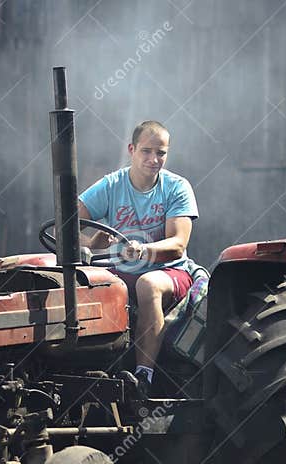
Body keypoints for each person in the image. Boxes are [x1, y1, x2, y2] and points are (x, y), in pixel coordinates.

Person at [77, 120, 198, 395]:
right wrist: (91, 243)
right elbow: (68, 224)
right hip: (120, 271)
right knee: (84, 285)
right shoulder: (111, 185)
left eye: (161, 153)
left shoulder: (177, 187)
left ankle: (143, 378)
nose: (154, 159)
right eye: (146, 151)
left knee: (148, 284)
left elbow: (178, 244)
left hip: (169, 272)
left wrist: (145, 251)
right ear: (132, 149)